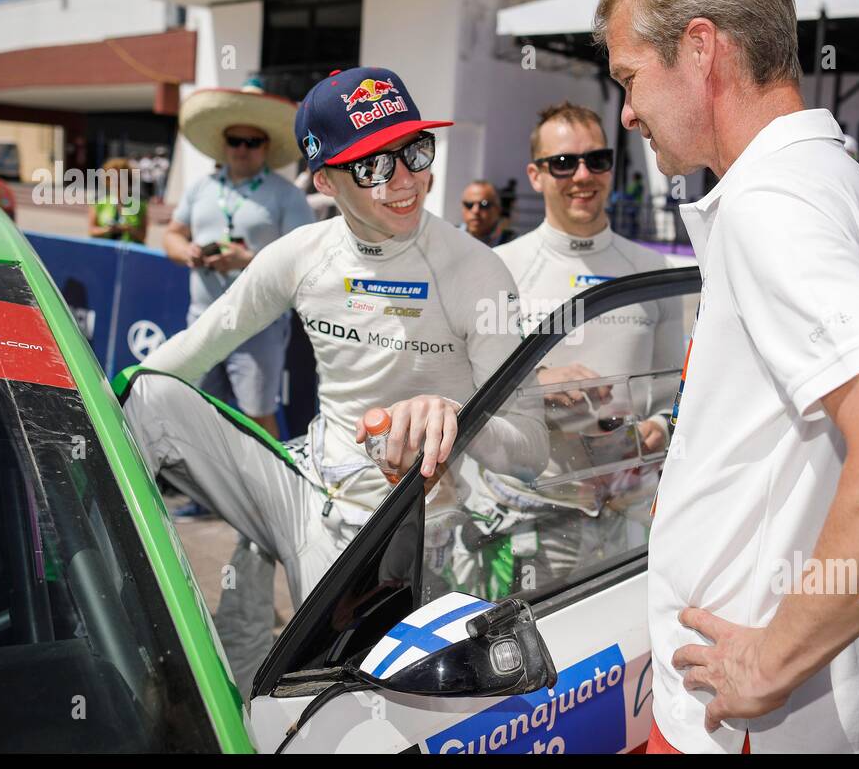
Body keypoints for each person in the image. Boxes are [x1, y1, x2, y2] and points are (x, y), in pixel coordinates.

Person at [594, 0, 859, 754]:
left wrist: (773, 659)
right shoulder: (846, 187)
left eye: (630, 78)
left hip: (748, 721)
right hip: (820, 714)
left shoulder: (772, 205)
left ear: (701, 48)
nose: (627, 113)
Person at [120, 66, 547, 692]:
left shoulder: (475, 272)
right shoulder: (300, 255)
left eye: (415, 151)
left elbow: (532, 448)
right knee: (145, 397)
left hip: (413, 531)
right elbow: (187, 356)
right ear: (324, 179)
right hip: (305, 494)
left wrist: (457, 417)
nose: (405, 180)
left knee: (349, 707)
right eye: (373, 165)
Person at [453, 101, 684, 596]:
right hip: (532, 522)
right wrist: (536, 385)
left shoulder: (653, 268)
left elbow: (677, 391)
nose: (582, 175)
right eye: (563, 163)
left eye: (596, 160)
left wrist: (654, 432)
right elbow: (462, 386)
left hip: (630, 520)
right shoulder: (497, 269)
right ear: (536, 176)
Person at [163, 81, 313, 442]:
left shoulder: (286, 195)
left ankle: (267, 497)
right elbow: (173, 234)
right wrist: (188, 252)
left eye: (252, 142)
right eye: (235, 141)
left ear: (266, 147)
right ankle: (213, 496)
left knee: (257, 418)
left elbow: (305, 257)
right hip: (203, 319)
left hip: (257, 323)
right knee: (201, 411)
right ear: (224, 144)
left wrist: (245, 259)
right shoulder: (201, 187)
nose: (242, 150)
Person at [88, 157, 147, 243]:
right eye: (112, 177)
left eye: (121, 178)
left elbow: (143, 236)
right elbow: (91, 230)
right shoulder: (98, 202)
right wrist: (107, 230)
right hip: (104, 251)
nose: (117, 181)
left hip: (130, 253)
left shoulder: (140, 205)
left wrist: (129, 229)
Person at [462, 179, 517, 246]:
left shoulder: (515, 244)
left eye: (484, 204)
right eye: (469, 204)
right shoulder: (449, 237)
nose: (475, 210)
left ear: (498, 209)